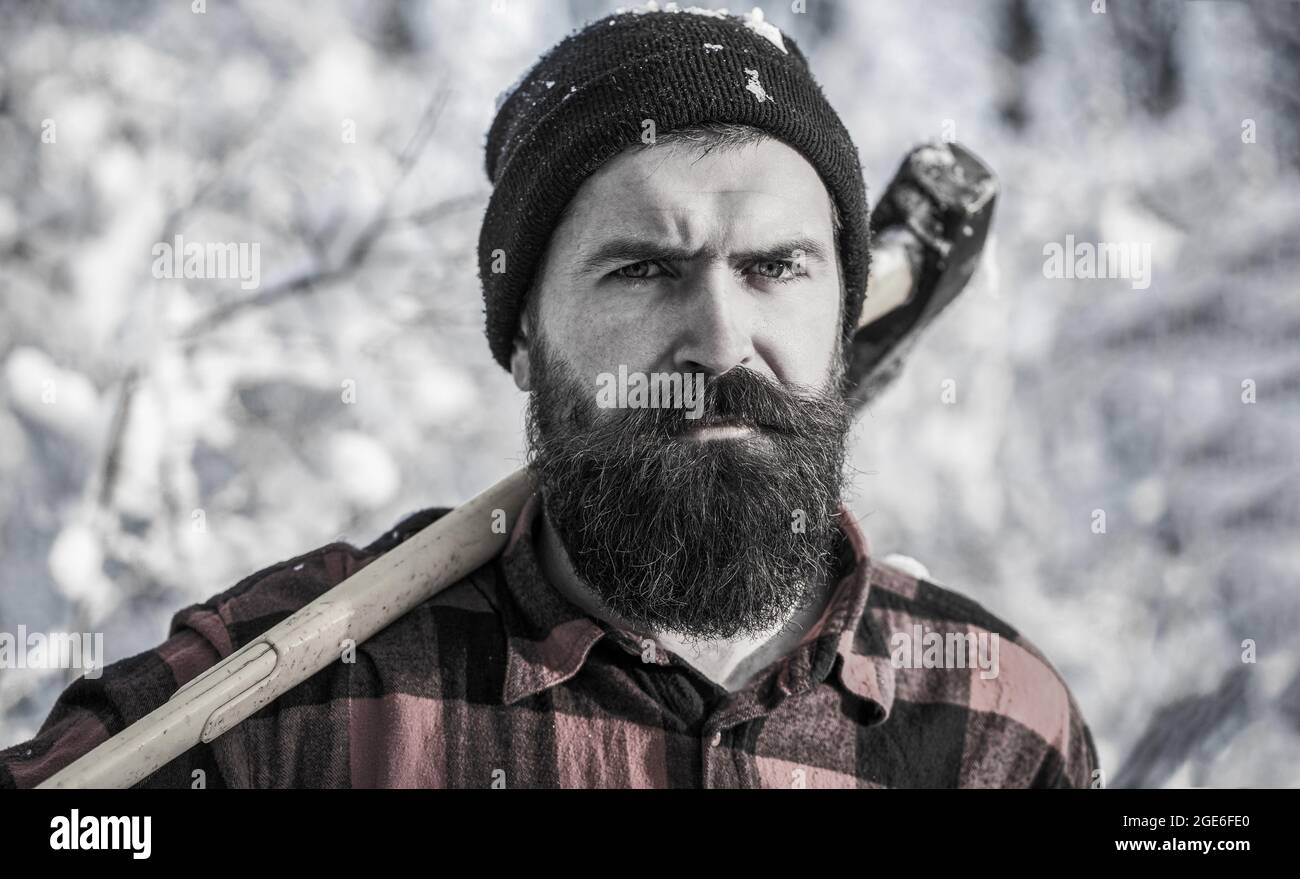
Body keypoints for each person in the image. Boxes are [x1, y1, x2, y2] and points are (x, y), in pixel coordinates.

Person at [0, 6, 1098, 789]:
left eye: (776, 268)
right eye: (644, 271)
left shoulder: (997, 726)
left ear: (846, 321)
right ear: (524, 338)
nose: (721, 339)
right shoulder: (301, 706)